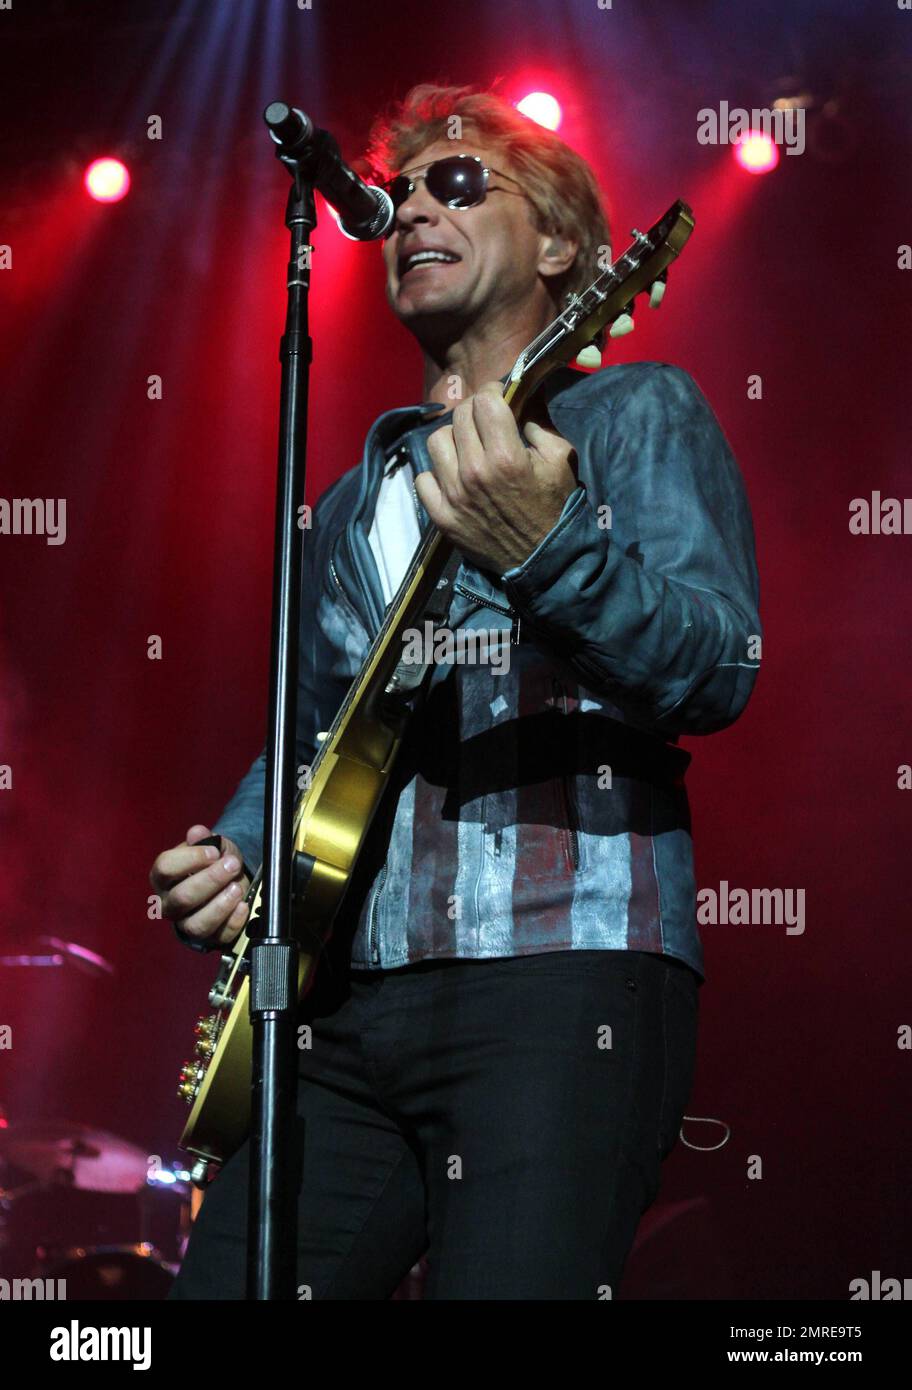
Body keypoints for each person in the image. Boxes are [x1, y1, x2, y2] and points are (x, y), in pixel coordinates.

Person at [153, 83, 761, 1300]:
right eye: (408, 189)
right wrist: (234, 847)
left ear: (564, 250)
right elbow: (320, 732)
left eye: (463, 182)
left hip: (560, 978)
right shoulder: (354, 486)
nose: (417, 207)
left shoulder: (638, 413)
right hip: (339, 1003)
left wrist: (551, 551)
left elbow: (717, 664)